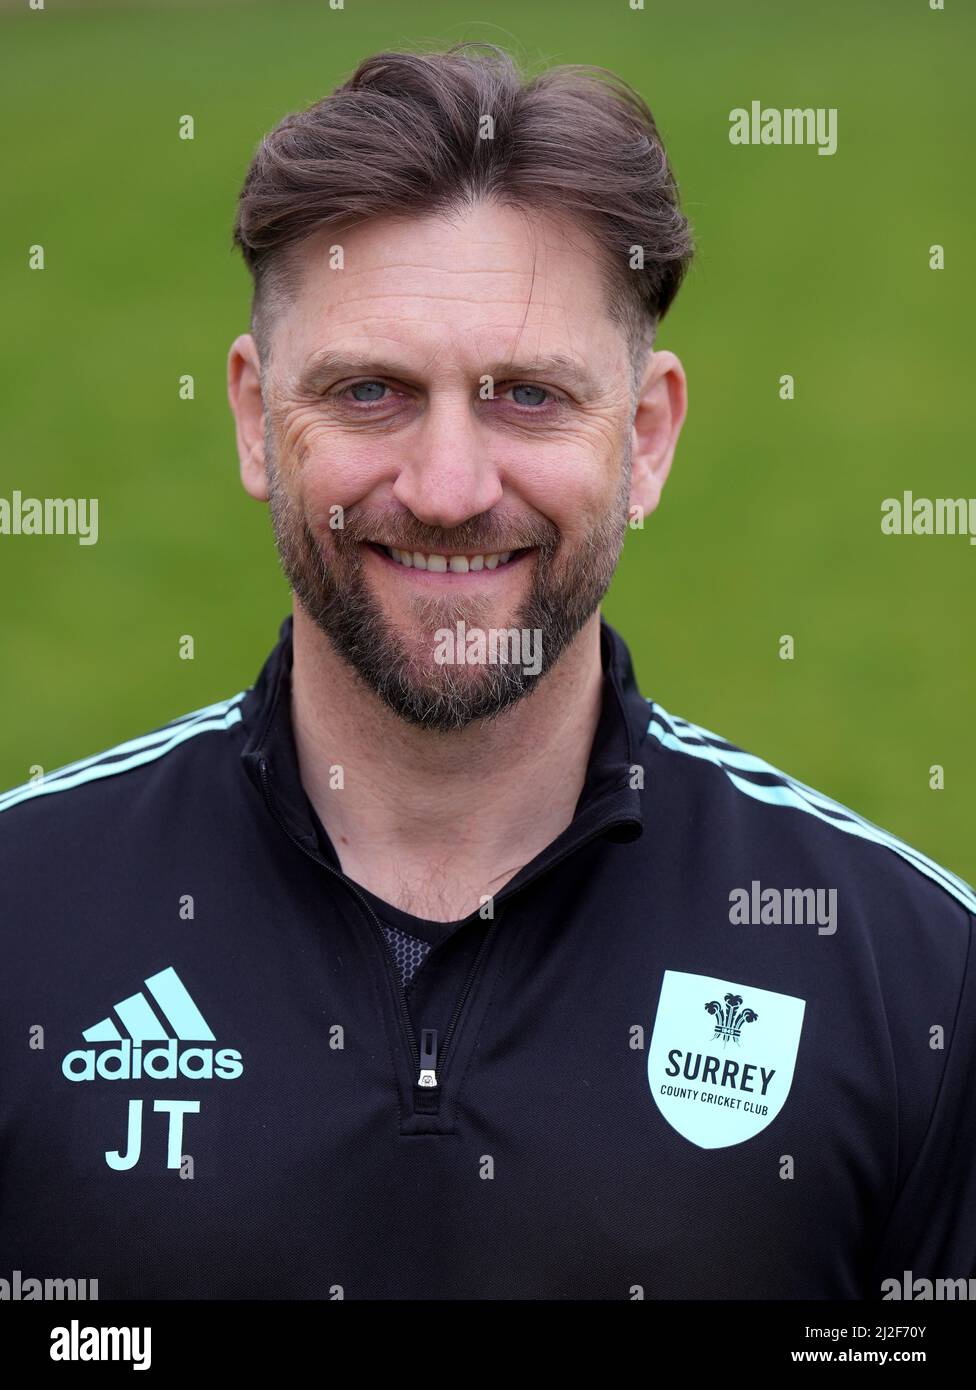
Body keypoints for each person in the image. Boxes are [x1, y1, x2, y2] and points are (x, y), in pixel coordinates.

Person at [1, 44, 973, 1302]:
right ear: (254, 419)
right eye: (369, 392)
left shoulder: (908, 979)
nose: (448, 488)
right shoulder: (24, 923)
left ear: (647, 436)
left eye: (525, 396)